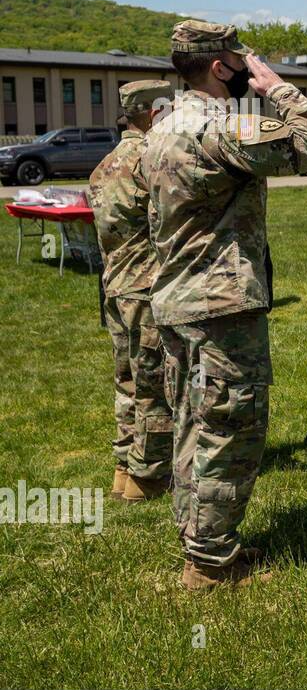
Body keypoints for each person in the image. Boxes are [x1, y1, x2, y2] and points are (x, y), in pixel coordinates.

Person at [144, 20, 307, 590]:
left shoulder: (164, 123)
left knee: (192, 422)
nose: (250, 67)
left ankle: (198, 539)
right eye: (241, 60)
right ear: (222, 67)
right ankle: (211, 561)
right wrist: (278, 87)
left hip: (177, 297)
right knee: (230, 426)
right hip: (219, 304)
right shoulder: (219, 125)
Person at [88, 79, 175, 503]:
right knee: (153, 383)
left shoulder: (104, 165)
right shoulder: (151, 159)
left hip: (115, 287)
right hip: (145, 289)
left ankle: (124, 465)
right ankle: (149, 475)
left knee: (126, 380)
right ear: (153, 113)